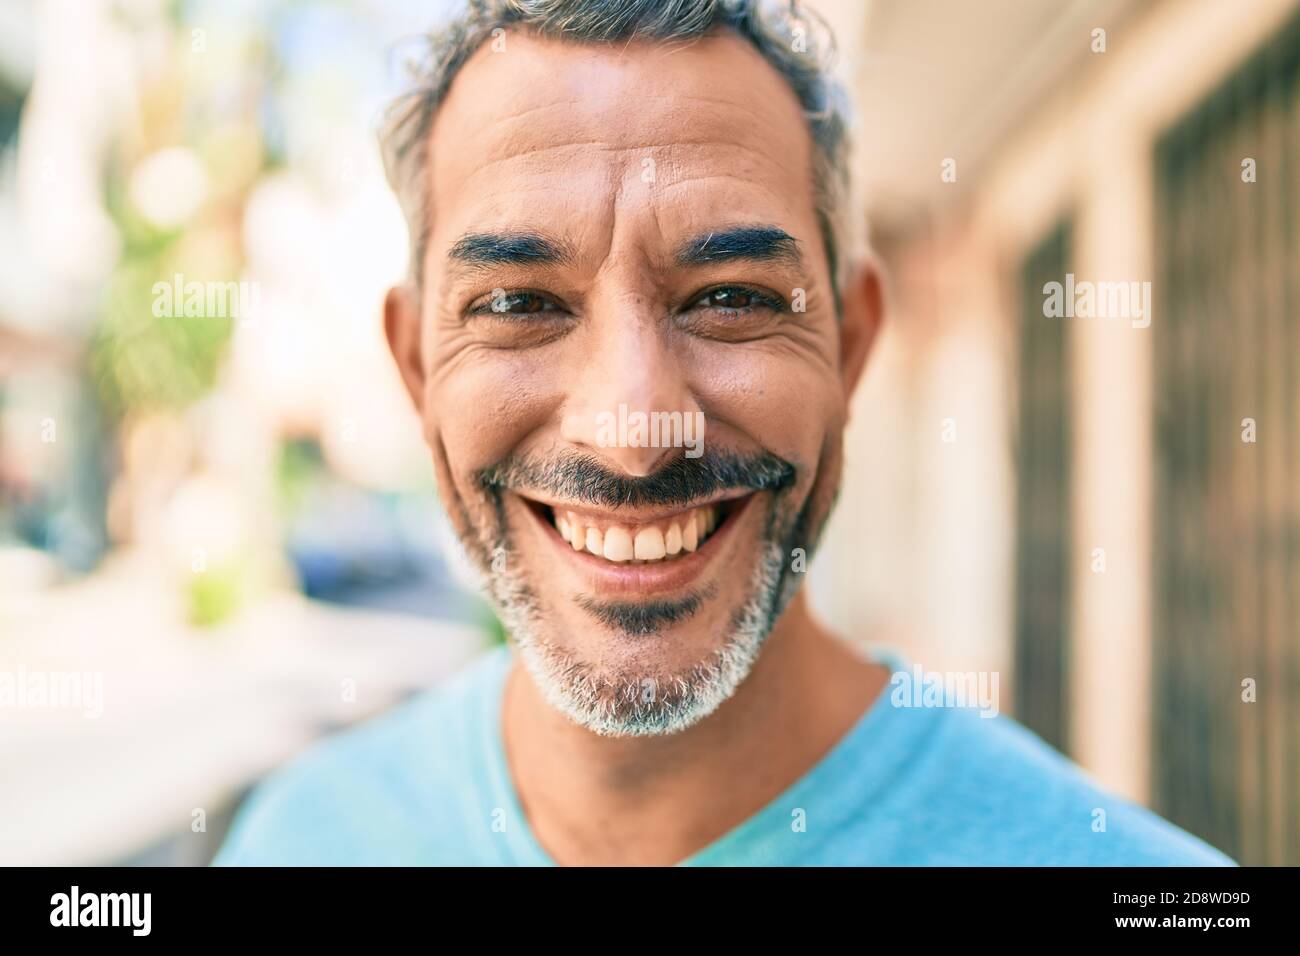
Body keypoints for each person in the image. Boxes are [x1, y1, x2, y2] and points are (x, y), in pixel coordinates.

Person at [215, 0, 1232, 866]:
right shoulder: (299, 839)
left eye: (732, 295)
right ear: (416, 366)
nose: (632, 432)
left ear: (852, 347)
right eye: (521, 304)